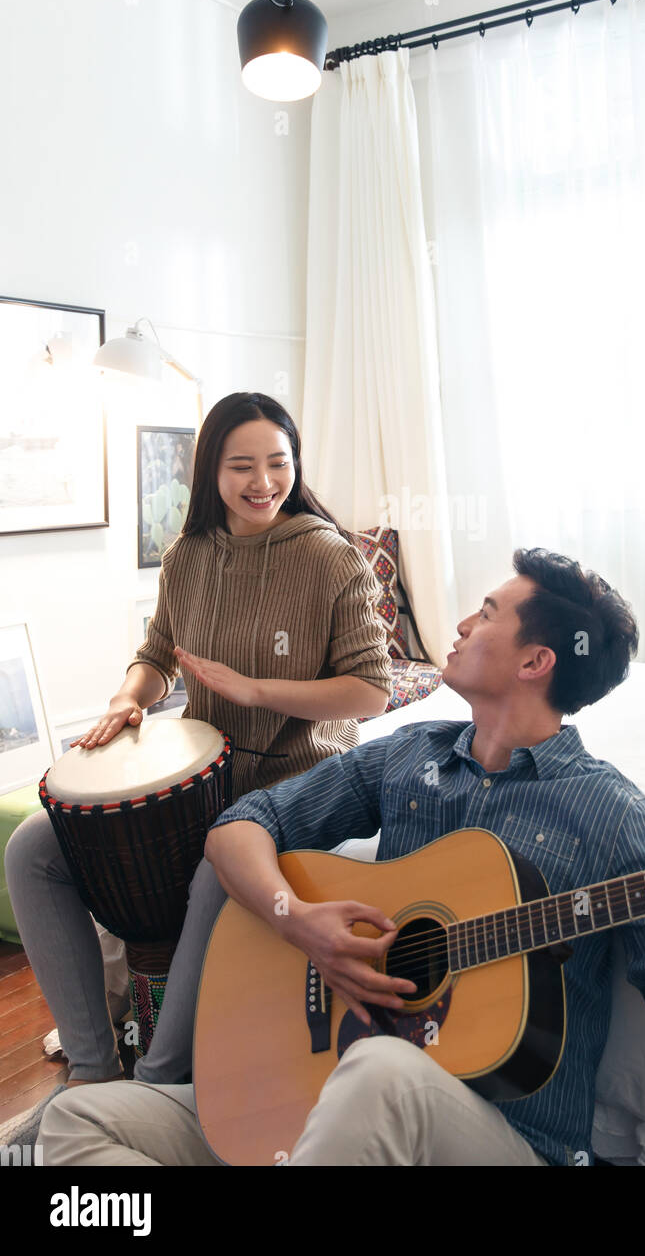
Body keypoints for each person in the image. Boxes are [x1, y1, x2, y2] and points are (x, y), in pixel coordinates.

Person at [38, 548, 645, 1167]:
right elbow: (240, 827)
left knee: (382, 1074)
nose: (460, 625)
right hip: (318, 1105)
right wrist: (299, 919)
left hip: (496, 1138)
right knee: (78, 1119)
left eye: (486, 613)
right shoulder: (409, 754)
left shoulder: (608, 814)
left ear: (535, 662)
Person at [4, 391, 391, 1110]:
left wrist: (257, 690)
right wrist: (129, 696)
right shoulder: (187, 556)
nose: (263, 482)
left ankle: (158, 1084)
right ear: (209, 470)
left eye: (278, 462)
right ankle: (93, 1066)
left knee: (222, 862)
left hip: (298, 778)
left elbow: (371, 691)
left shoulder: (331, 558)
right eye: (242, 466)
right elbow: (158, 654)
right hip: (205, 773)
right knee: (32, 850)